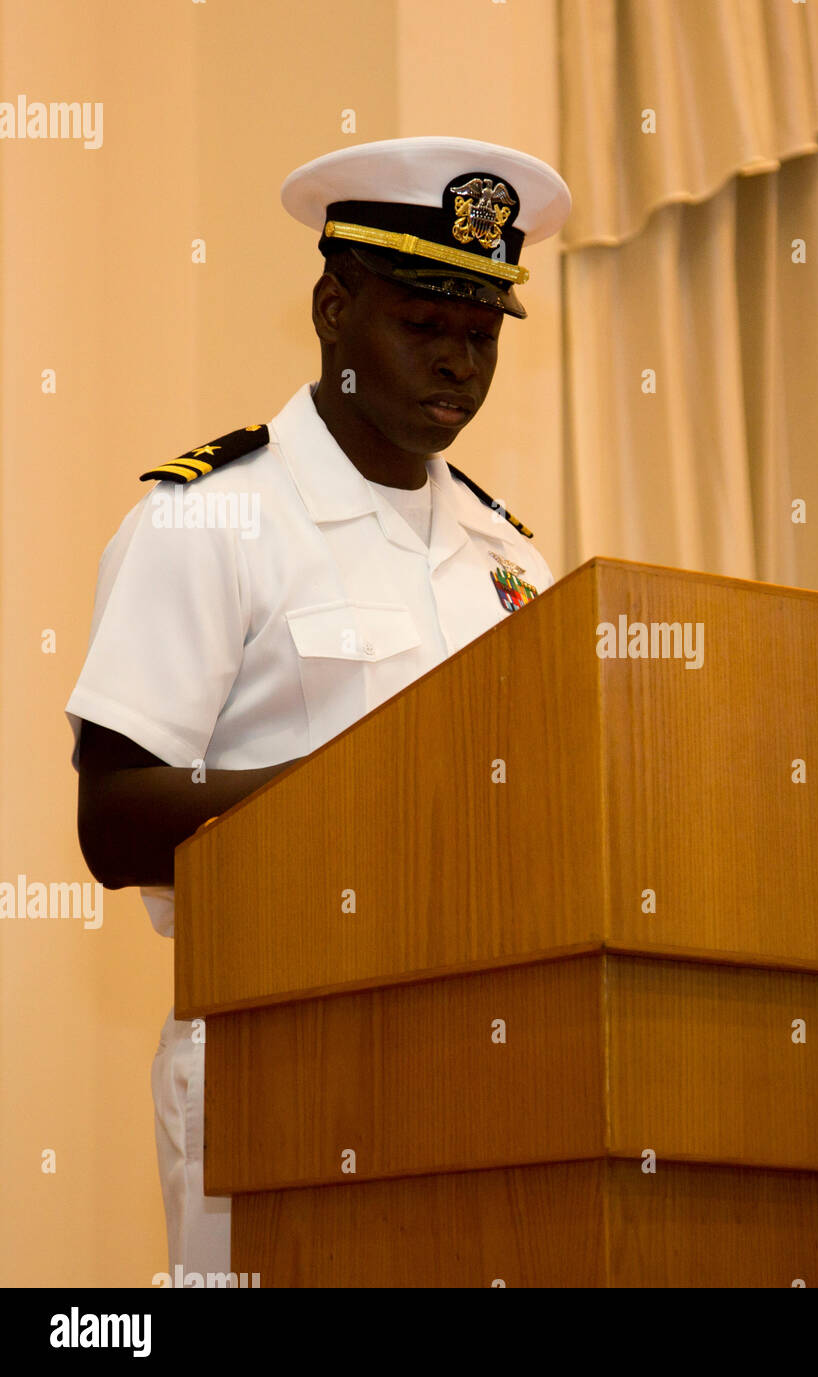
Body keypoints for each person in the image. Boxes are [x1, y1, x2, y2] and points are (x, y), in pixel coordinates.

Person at [66, 135, 571, 1278]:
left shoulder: (513, 561)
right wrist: (371, 791)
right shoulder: (210, 521)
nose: (458, 365)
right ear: (332, 309)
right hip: (282, 1062)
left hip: (495, 1070)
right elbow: (113, 819)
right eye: (424, 325)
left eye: (482, 335)